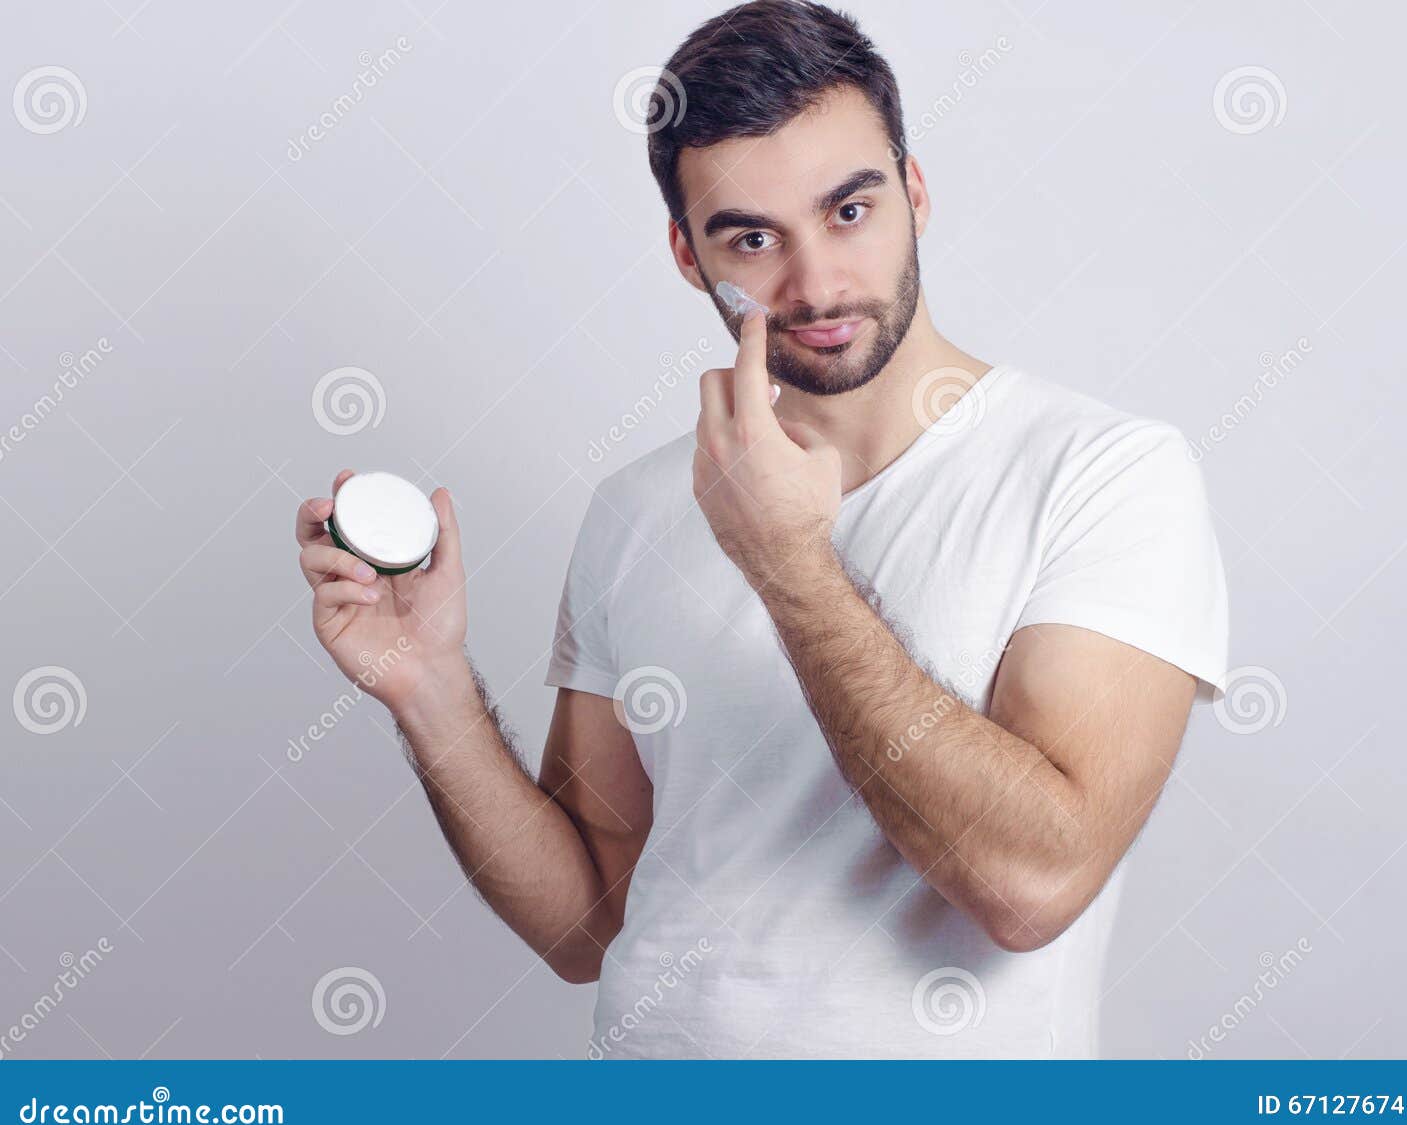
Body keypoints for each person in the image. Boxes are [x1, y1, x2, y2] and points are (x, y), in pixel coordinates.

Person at [292, 0, 1228, 1057]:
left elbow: (1030, 883)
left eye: (849, 211)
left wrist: (787, 565)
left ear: (914, 194)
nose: (817, 282)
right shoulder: (636, 509)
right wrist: (431, 688)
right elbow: (586, 921)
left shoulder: (1101, 473)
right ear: (689, 256)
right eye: (752, 238)